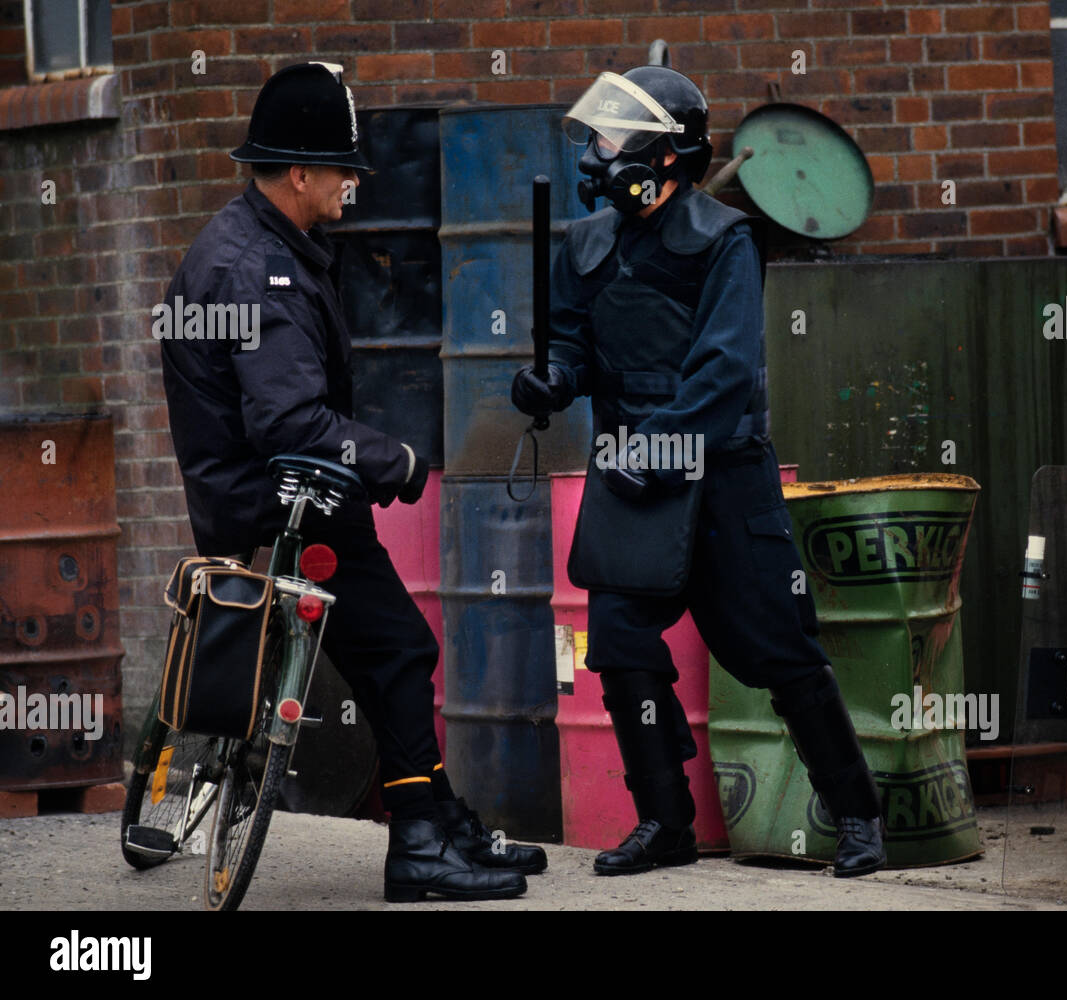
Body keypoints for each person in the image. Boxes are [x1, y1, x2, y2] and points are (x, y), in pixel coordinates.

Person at [159, 62, 543, 902]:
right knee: (402, 652)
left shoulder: (245, 241)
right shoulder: (266, 274)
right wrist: (392, 461)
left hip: (271, 496)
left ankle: (437, 818)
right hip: (286, 503)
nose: (354, 183)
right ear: (299, 173)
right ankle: (418, 847)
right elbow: (289, 422)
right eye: (342, 168)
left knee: (388, 654)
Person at [511, 66, 887, 877]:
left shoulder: (725, 239)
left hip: (720, 478)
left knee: (779, 651)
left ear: (664, 154)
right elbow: (573, 347)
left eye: (610, 137)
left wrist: (658, 446)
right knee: (617, 644)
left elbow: (722, 372)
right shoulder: (584, 245)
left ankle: (859, 818)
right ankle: (665, 824)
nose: (595, 150)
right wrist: (552, 379)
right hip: (631, 479)